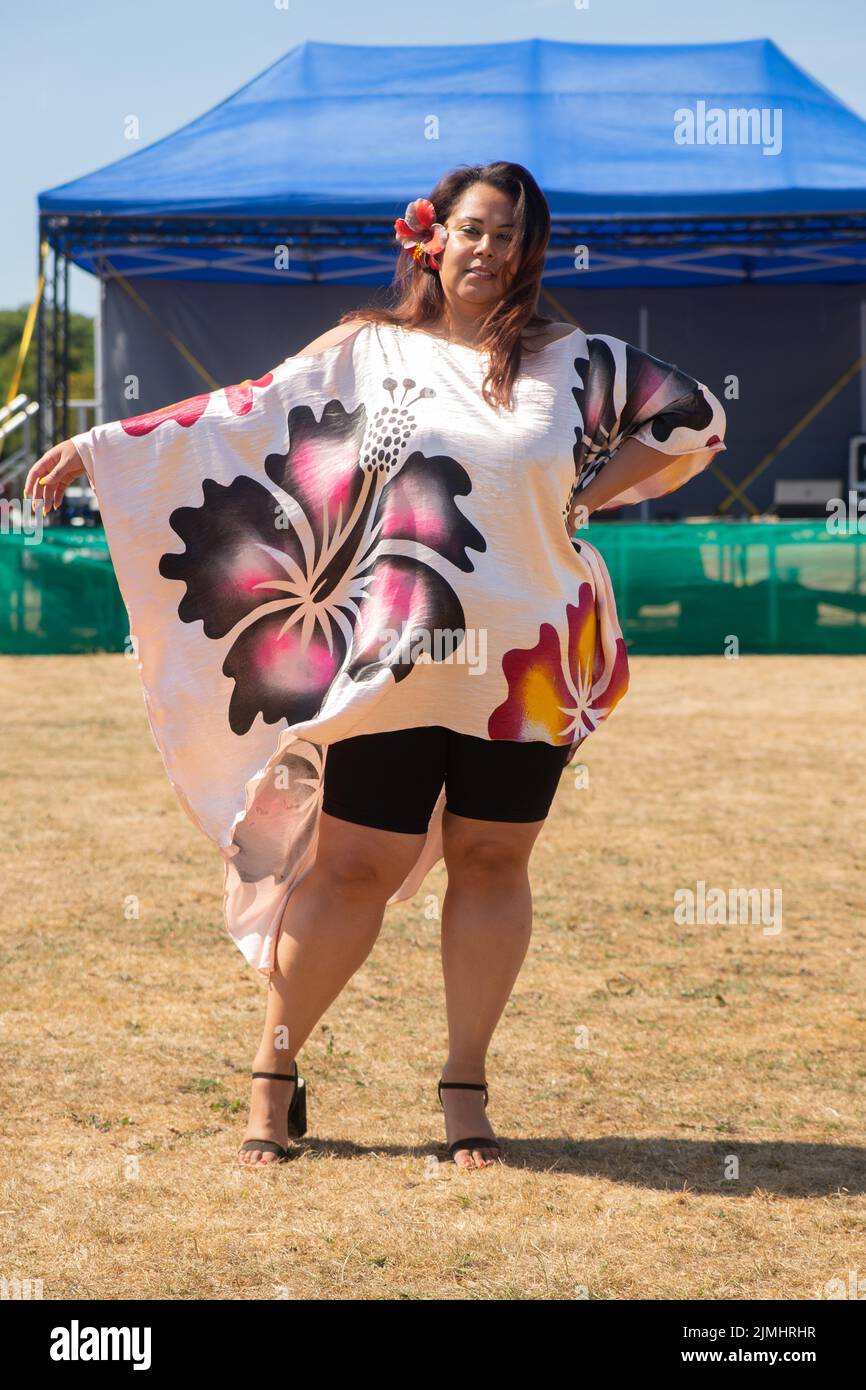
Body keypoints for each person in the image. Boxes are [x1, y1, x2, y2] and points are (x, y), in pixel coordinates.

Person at [24, 161, 726, 1172]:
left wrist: (582, 495)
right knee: (353, 866)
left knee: (493, 862)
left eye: (510, 236)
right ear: (431, 238)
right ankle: (271, 1076)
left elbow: (695, 422)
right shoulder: (367, 350)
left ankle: (464, 1090)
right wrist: (103, 446)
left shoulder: (574, 361)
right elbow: (241, 414)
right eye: (472, 229)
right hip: (396, 651)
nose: (488, 250)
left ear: (530, 253)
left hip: (525, 657)